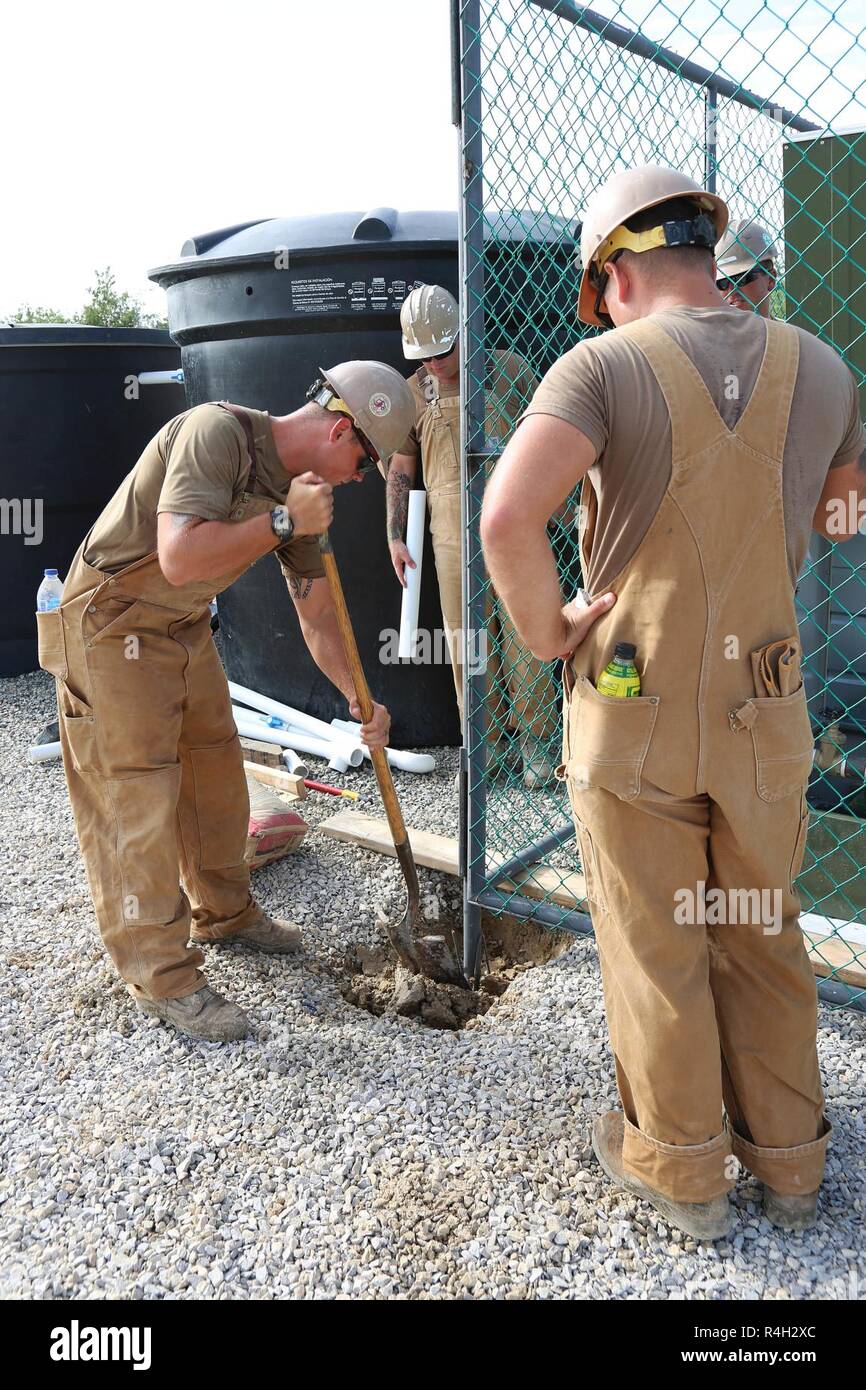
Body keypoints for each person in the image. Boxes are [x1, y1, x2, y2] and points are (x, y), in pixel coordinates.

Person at [481, 166, 865, 1238]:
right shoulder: (823, 366)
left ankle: (684, 1173)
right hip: (767, 704)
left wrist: (546, 631)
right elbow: (842, 516)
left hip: (629, 696)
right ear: (707, 250)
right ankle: (790, 1167)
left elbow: (506, 518)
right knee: (756, 926)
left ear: (612, 271)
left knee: (653, 936)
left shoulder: (599, 366)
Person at [37, 362, 414, 1042]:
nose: (360, 478)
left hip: (181, 626)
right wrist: (281, 518)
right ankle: (163, 977)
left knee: (215, 773)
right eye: (364, 461)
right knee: (138, 798)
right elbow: (179, 556)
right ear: (338, 429)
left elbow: (317, 615)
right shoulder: (217, 435)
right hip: (110, 625)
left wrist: (362, 700)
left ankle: (226, 912)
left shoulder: (301, 499)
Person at [386, 283, 558, 787]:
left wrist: (566, 507)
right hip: (449, 535)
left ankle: (537, 741)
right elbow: (401, 465)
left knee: (527, 634)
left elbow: (550, 440)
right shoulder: (413, 391)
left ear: (464, 333)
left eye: (444, 351)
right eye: (425, 356)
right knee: (466, 642)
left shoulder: (509, 370)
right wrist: (395, 535)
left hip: (517, 524)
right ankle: (484, 747)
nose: (436, 364)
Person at [715, 217, 778, 316]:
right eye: (722, 282)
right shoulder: (704, 330)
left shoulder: (787, 332)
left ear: (770, 279)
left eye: (741, 278)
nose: (732, 289)